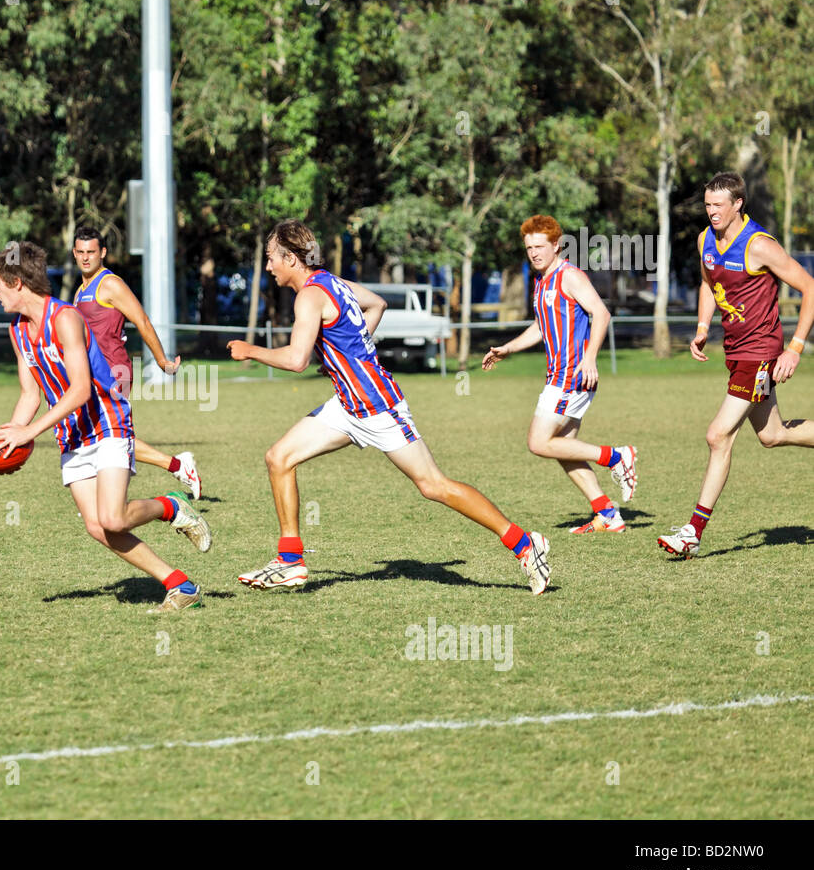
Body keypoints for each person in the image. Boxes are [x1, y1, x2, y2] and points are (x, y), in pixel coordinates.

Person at [227, 219, 552, 595]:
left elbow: (297, 359)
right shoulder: (330, 281)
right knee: (279, 458)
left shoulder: (308, 296)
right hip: (347, 406)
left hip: (378, 406)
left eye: (271, 258)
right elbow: (376, 304)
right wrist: (348, 353)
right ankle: (289, 561)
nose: (269, 266)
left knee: (434, 486)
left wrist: (250, 350)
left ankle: (525, 544)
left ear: (291, 258)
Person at [0, 241, 211, 613]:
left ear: (17, 283)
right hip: (71, 435)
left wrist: (29, 432)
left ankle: (171, 506)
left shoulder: (65, 318)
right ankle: (181, 586)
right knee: (98, 527)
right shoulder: (18, 331)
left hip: (107, 421)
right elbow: (29, 394)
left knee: (113, 517)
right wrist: (10, 438)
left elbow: (80, 390)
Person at [658, 172, 814, 558]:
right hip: (736, 351)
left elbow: (810, 286)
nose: (711, 211)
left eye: (718, 205)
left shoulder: (759, 245)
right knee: (771, 435)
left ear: (738, 204)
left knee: (718, 435)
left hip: (760, 352)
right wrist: (701, 327)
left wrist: (794, 348)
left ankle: (692, 533)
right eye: (707, 205)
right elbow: (709, 284)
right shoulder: (705, 240)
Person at [482, 215, 638, 533]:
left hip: (572, 376)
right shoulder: (541, 282)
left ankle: (617, 457)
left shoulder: (570, 276)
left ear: (557, 245)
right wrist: (508, 349)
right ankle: (607, 513)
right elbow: (541, 326)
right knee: (563, 447)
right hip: (558, 376)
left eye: (540, 246)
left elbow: (601, 314)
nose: (534, 253)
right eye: (529, 248)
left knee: (538, 442)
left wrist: (590, 358)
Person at [71, 226, 202, 499]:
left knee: (111, 436)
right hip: (90, 373)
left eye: (91, 252)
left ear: (102, 252)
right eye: (81, 252)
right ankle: (177, 466)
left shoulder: (110, 284)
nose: (85, 257)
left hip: (113, 371)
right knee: (99, 434)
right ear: (74, 253)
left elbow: (142, 320)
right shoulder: (79, 291)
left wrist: (162, 361)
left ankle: (174, 468)